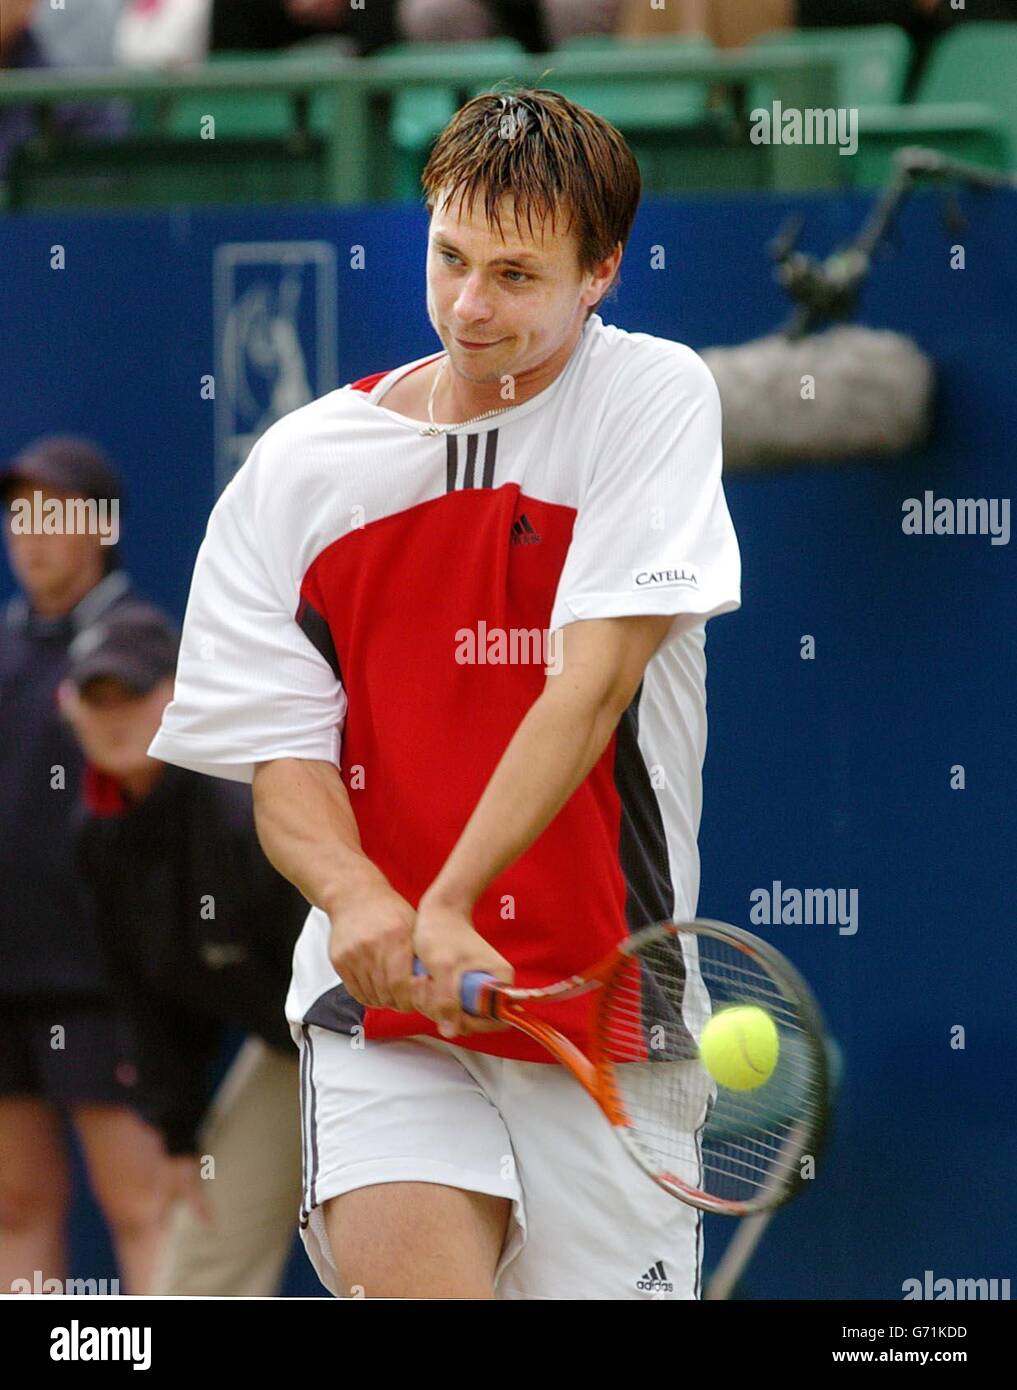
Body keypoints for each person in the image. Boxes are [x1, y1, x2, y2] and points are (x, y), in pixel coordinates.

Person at [151, 86, 741, 1299]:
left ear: (601, 273)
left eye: (517, 275)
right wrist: (361, 897)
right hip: (385, 1026)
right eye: (451, 257)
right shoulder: (299, 470)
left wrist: (453, 897)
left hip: (603, 1020)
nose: (472, 306)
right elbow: (288, 760)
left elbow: (590, 689)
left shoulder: (653, 398)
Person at [59, 603, 308, 1296]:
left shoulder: (239, 810)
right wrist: (177, 1136)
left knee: (388, 1245)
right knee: (200, 1260)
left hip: (380, 1034)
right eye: (96, 698)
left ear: (179, 693)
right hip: (290, 1050)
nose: (116, 717)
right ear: (69, 708)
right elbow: (144, 996)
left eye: (134, 694)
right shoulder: (97, 837)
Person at [0, 436, 167, 1295]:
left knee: (143, 1207)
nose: (31, 537)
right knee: (15, 1207)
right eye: (18, 516)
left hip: (107, 984)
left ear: (99, 527)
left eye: (53, 515)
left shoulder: (135, 646)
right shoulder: (3, 648)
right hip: (8, 982)